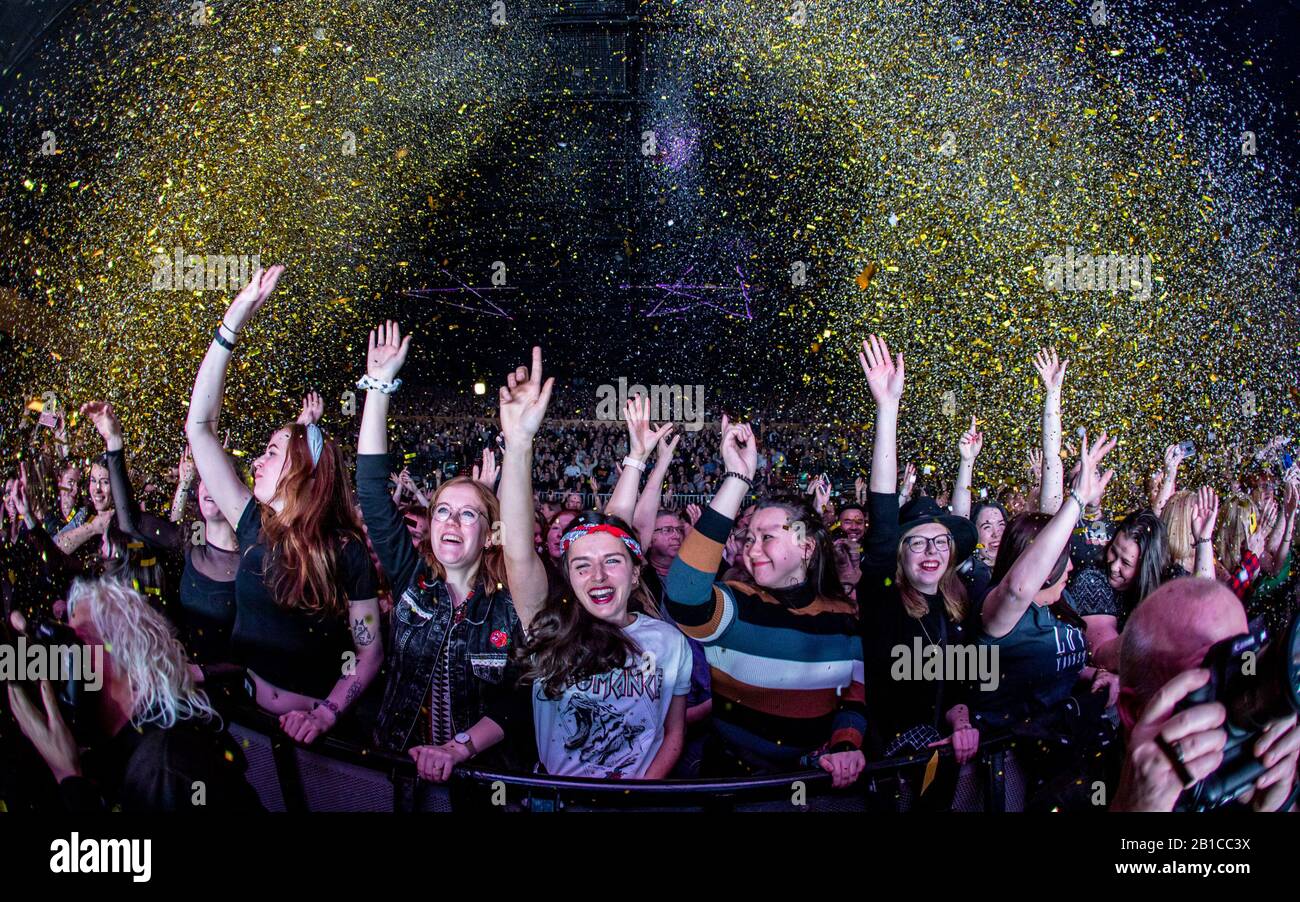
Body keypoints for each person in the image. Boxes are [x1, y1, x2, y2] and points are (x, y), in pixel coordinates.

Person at [184, 266, 382, 745]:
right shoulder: (253, 524)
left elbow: (368, 654)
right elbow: (199, 427)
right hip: (242, 717)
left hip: (312, 736)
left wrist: (327, 715)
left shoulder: (346, 551)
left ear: (303, 471)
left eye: (271, 452)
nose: (256, 460)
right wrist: (233, 322)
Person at [498, 348, 692, 778]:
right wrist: (519, 444)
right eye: (582, 566)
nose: (598, 576)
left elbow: (673, 734)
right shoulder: (549, 627)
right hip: (563, 801)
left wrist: (636, 798)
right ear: (568, 576)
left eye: (612, 563)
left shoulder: (668, 643)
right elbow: (517, 549)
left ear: (636, 571)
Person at [355, 321, 528, 780]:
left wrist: (458, 749)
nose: (450, 522)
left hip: (478, 780)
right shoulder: (411, 577)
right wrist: (378, 388)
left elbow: (519, 699)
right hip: (395, 766)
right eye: (443, 511)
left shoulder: (511, 603)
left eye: (468, 514)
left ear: (490, 534)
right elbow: (371, 492)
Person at [6, 578, 262, 812]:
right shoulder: (124, 746)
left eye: (81, 643)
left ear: (135, 665)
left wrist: (68, 777)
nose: (68, 660)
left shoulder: (164, 767)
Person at [854, 335, 977, 804]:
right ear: (900, 553)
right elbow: (884, 514)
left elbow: (962, 679)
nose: (931, 550)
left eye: (941, 541)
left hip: (940, 762)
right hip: (886, 768)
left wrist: (960, 721)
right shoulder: (883, 592)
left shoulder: (958, 604)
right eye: (918, 542)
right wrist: (888, 410)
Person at [1111, 577, 1298, 811]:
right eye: (1214, 674)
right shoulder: (1085, 787)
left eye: (1244, 662)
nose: (1242, 691)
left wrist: (1276, 807)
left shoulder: (1258, 767)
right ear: (1134, 711)